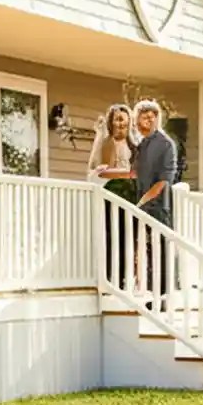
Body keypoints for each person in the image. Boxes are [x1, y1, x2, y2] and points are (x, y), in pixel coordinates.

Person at [132, 99, 178, 308]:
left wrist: (142, 202)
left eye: (152, 117)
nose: (149, 120)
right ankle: (154, 295)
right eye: (145, 117)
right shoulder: (142, 145)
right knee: (149, 252)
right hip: (143, 207)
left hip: (159, 207)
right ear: (137, 120)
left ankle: (166, 296)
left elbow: (163, 180)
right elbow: (134, 173)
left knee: (162, 251)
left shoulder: (165, 144)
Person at [87, 104, 138, 292]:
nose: (120, 124)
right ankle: (110, 279)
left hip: (131, 196)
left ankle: (125, 280)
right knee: (111, 236)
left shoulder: (133, 146)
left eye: (123, 120)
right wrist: (126, 173)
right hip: (112, 194)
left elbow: (138, 171)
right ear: (111, 122)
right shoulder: (107, 143)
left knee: (128, 238)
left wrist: (127, 174)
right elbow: (98, 170)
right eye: (117, 119)